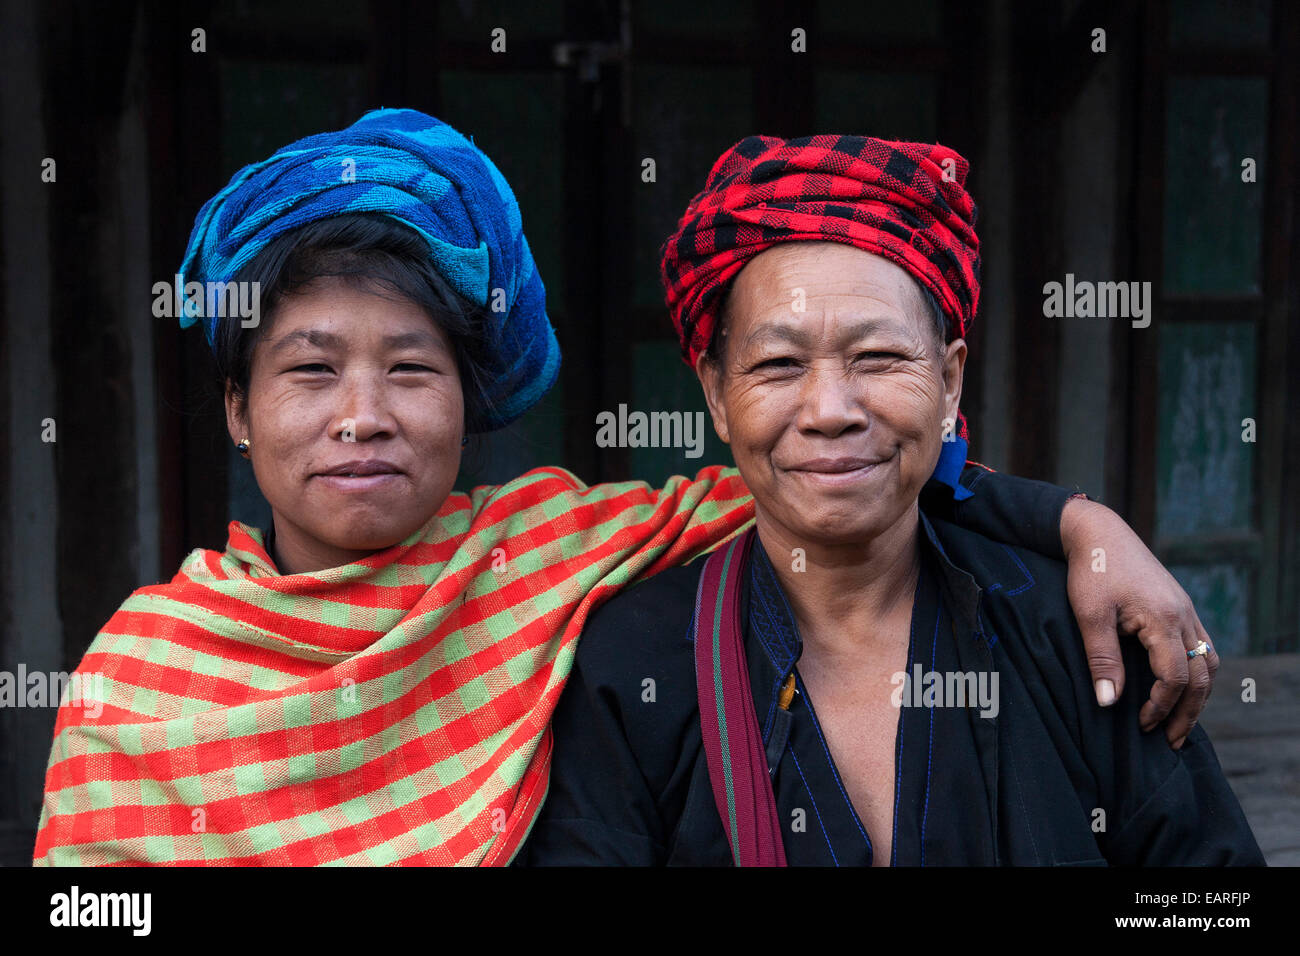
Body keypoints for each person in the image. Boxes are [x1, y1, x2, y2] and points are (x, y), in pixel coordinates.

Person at [35, 113, 1220, 866]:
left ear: (470, 397)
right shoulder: (143, 671)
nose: (362, 412)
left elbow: (842, 481)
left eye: (411, 367)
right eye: (308, 371)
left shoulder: (552, 557)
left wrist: (1082, 522)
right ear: (237, 410)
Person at [518, 135, 1262, 865]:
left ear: (950, 381)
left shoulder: (1072, 632)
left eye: (878, 357)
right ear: (717, 393)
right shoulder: (632, 665)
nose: (830, 409)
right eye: (778, 364)